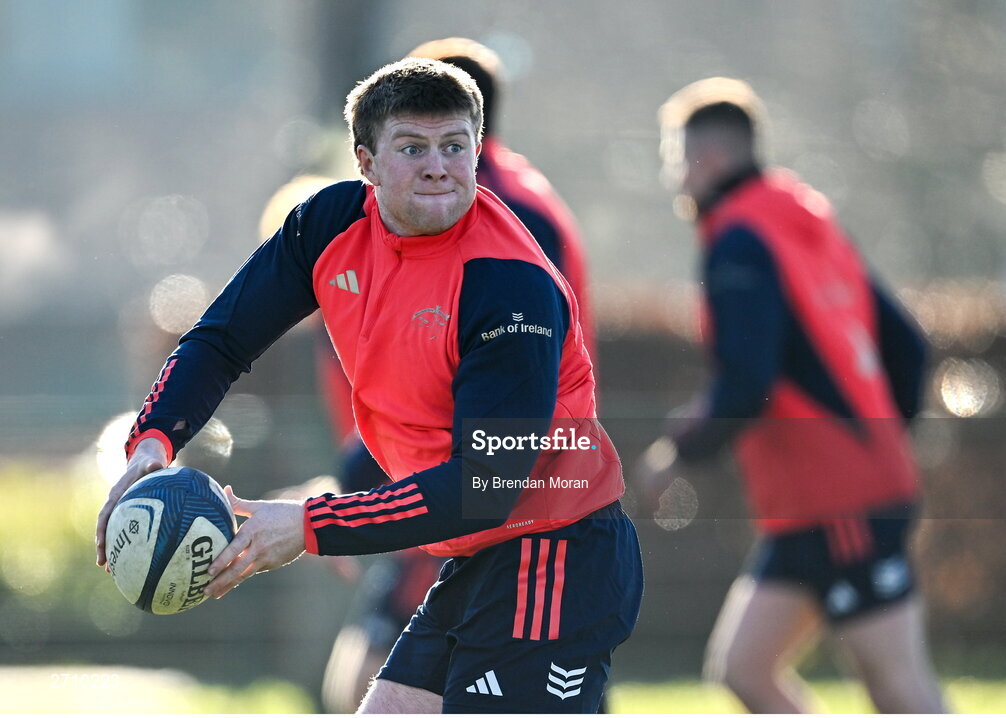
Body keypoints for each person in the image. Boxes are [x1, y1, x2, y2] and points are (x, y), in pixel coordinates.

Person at [96, 58, 642, 714]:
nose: (438, 166)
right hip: (481, 561)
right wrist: (153, 442)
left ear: (477, 147)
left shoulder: (507, 285)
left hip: (556, 554)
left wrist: (309, 524)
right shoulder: (327, 226)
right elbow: (223, 338)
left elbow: (482, 490)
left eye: (455, 146)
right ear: (365, 162)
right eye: (413, 148)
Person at [314, 37, 601, 713]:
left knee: (385, 684)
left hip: (488, 491)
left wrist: (353, 483)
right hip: (475, 481)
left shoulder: (488, 213)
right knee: (371, 685)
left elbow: (455, 379)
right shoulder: (526, 197)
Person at [650, 77, 947, 713]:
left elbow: (745, 382)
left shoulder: (737, 240)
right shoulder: (802, 211)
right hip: (816, 502)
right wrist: (883, 444)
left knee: (900, 689)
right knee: (743, 667)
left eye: (676, 161)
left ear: (708, 159)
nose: (675, 181)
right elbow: (908, 349)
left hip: (840, 499)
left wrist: (680, 451)